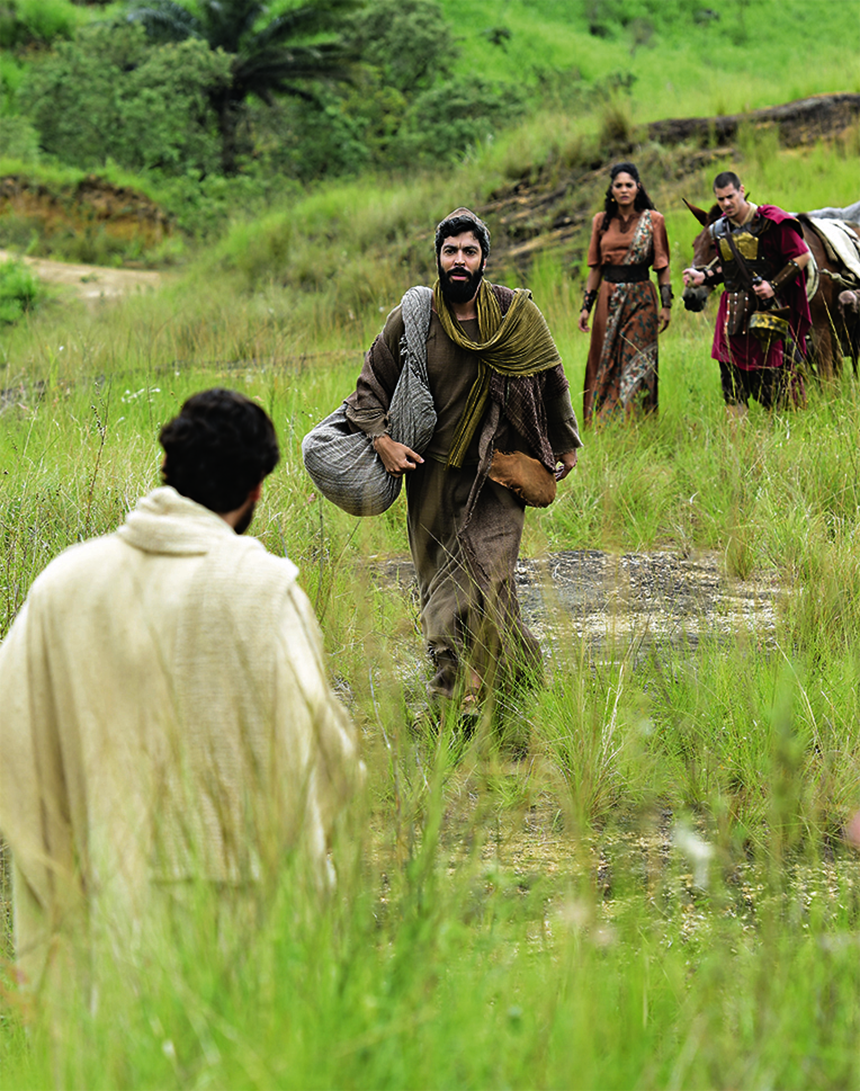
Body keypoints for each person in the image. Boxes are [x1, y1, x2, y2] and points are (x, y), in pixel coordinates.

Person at [0, 389, 361, 991]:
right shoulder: (261, 590)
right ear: (254, 493)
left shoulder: (65, 582)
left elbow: (12, 730)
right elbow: (325, 763)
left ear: (166, 470)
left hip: (102, 926)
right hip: (236, 933)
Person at [345, 207, 582, 706]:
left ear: (484, 258)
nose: (459, 260)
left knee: (489, 579)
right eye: (450, 251)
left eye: (469, 251)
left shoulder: (517, 314)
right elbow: (369, 389)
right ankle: (508, 681)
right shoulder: (412, 319)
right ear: (438, 257)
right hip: (430, 474)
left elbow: (551, 376)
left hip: (499, 471)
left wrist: (564, 440)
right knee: (440, 584)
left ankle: (454, 697)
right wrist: (382, 440)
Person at [682, 170, 812, 416]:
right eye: (721, 199)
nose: (726, 203)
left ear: (741, 191)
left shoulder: (771, 221)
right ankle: (739, 447)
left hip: (765, 315)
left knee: (771, 393)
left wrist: (773, 285)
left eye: (730, 196)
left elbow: (802, 255)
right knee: (732, 389)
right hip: (731, 315)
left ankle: (776, 446)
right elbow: (728, 270)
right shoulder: (719, 229)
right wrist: (704, 277)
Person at [578, 162, 672, 424]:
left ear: (638, 187)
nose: (623, 190)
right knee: (603, 358)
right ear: (611, 190)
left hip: (642, 298)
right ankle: (604, 420)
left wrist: (666, 305)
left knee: (638, 357)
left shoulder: (654, 220)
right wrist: (587, 306)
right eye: (618, 185)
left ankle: (637, 421)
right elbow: (595, 268)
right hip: (608, 299)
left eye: (628, 185)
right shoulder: (601, 221)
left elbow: (662, 265)